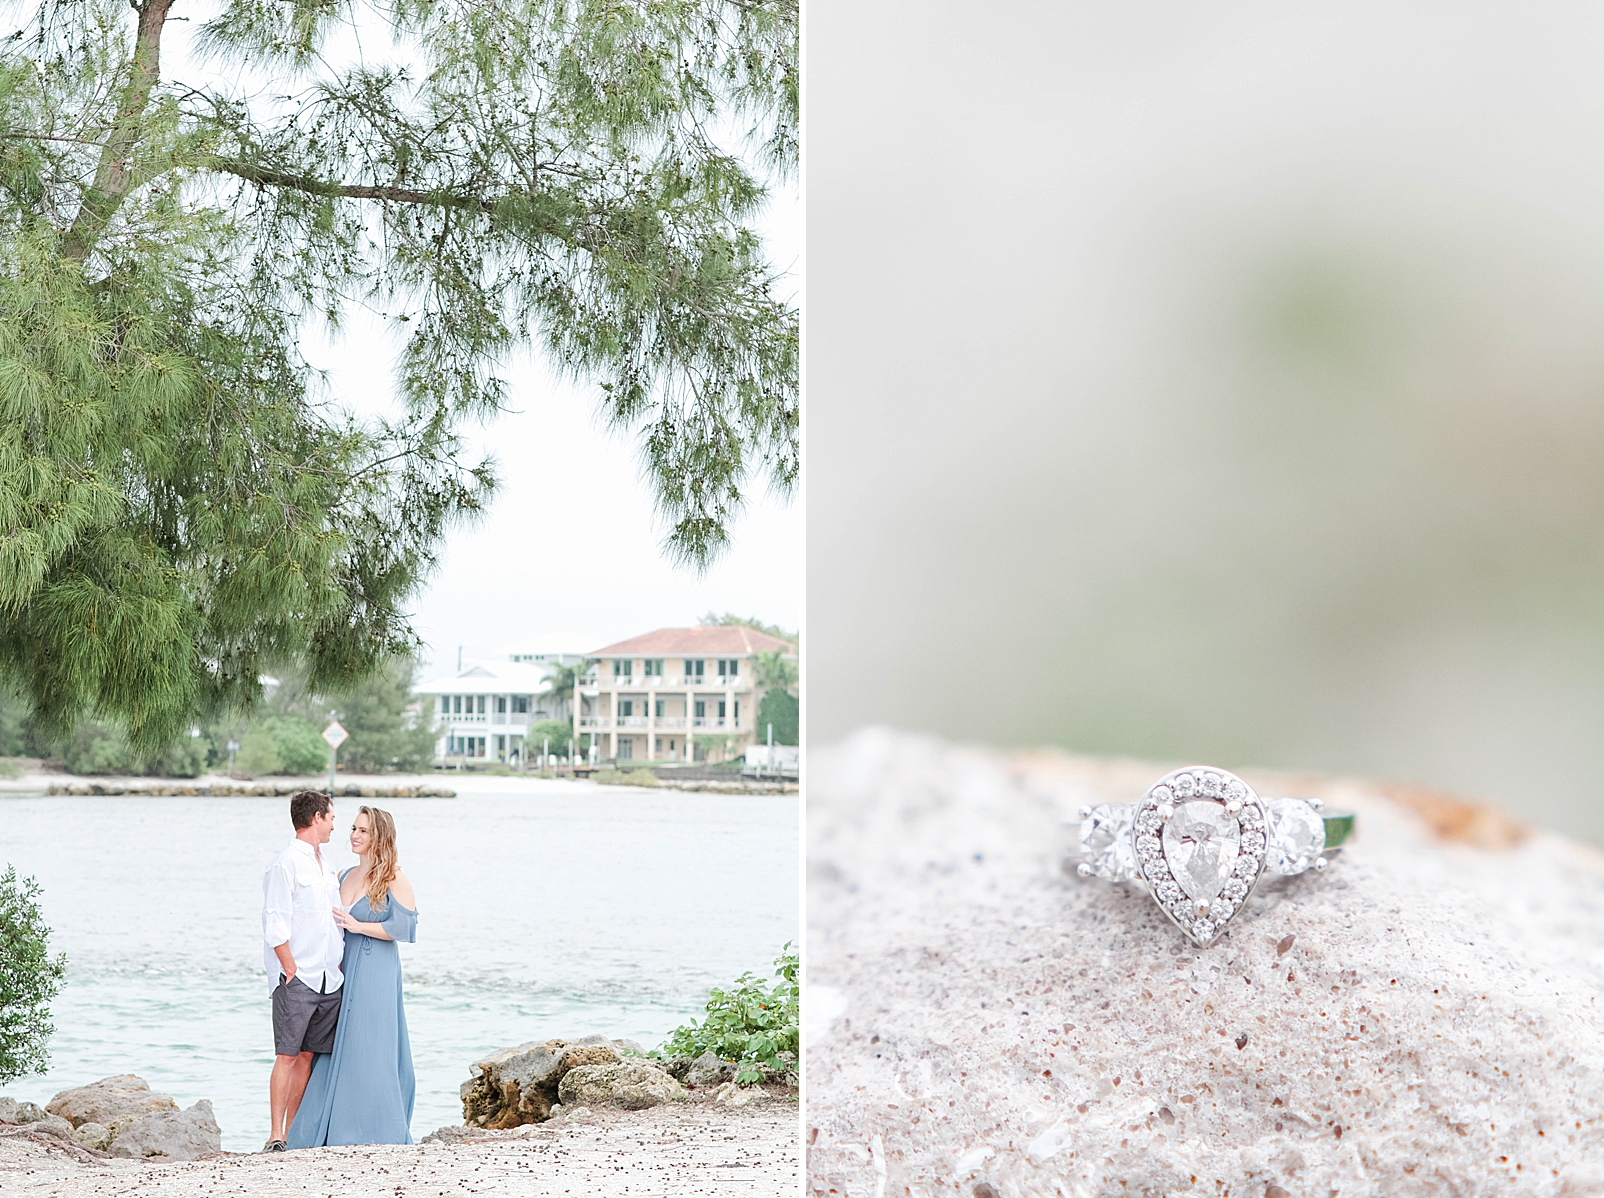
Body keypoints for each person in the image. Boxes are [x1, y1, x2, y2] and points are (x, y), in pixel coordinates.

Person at [286, 805, 418, 1147]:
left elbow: (406, 927)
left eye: (364, 831)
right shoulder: (343, 875)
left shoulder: (394, 876)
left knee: (370, 1043)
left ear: (380, 837)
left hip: (376, 968)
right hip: (341, 967)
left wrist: (360, 925)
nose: (355, 836)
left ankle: (376, 1127)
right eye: (354, 829)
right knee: (334, 1045)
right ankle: (329, 1127)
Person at [261, 790, 344, 1152]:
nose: (333, 825)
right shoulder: (286, 864)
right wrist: (290, 969)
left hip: (330, 978)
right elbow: (275, 923)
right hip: (299, 977)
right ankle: (276, 1134)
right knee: (287, 1054)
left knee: (308, 1055)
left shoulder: (326, 865)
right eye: (330, 818)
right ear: (315, 818)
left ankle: (293, 1133)